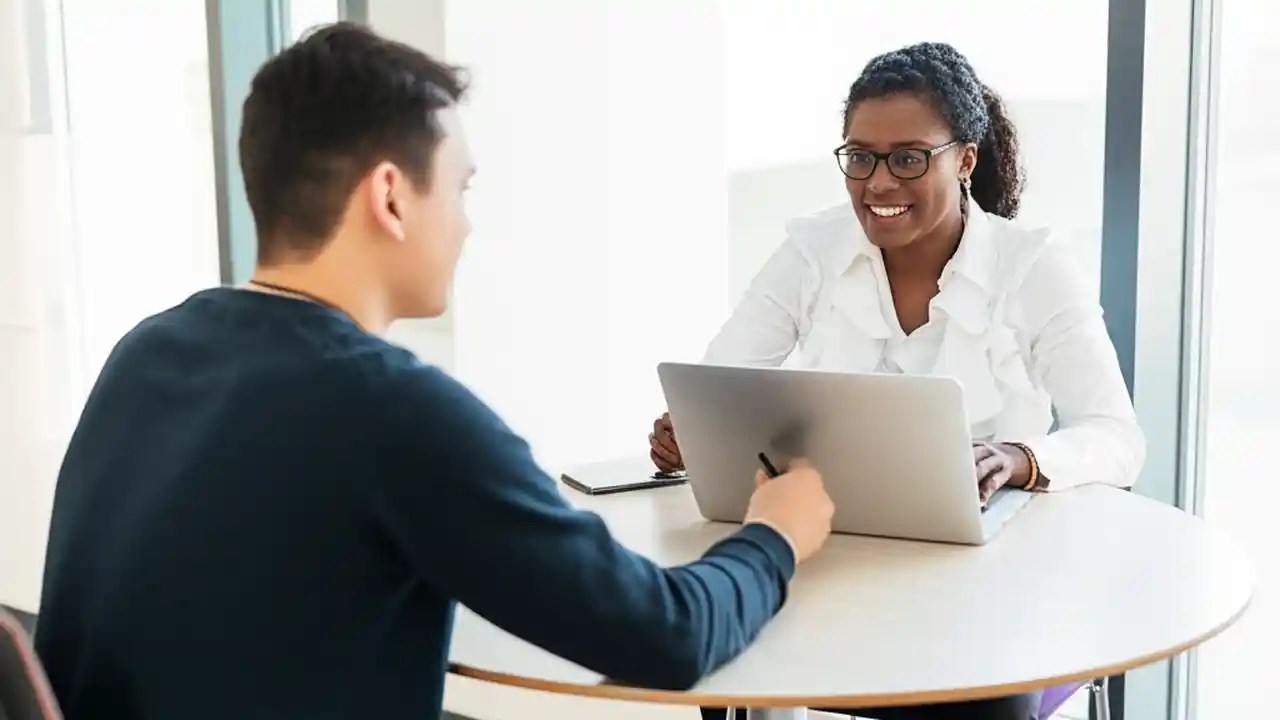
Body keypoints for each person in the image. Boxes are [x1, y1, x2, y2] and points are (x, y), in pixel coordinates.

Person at [34, 23, 836, 720]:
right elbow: (668, 636)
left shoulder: (147, 352)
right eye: (459, 187)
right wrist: (777, 533)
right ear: (390, 195)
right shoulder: (394, 411)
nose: (466, 223)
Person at [651, 42, 1145, 720]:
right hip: (836, 560)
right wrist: (693, 431)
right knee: (723, 645)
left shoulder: (1031, 266)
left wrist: (1022, 457)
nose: (878, 183)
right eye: (859, 157)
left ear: (965, 159)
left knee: (978, 700)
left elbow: (1118, 438)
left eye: (909, 158)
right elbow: (718, 378)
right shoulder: (812, 251)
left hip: (986, 586)